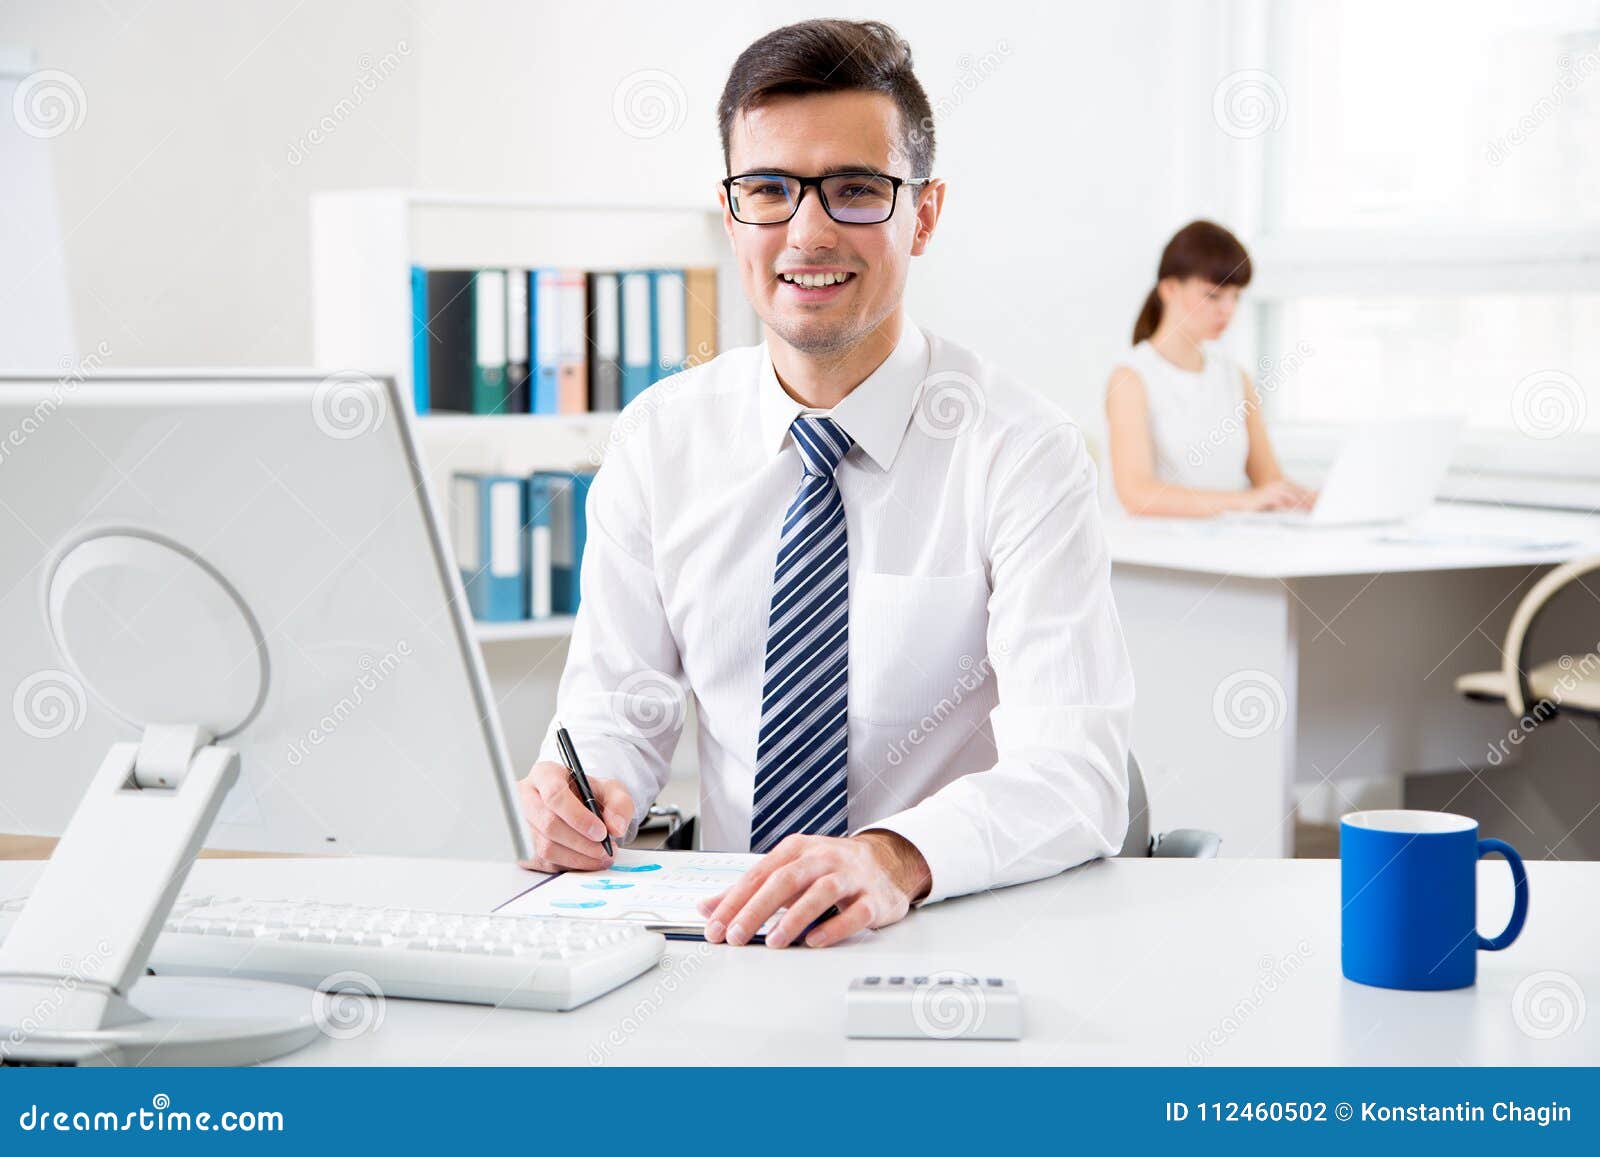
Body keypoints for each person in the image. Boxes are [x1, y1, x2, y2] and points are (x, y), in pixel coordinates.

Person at [515, 18, 1134, 949]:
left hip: (947, 936)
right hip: (727, 940)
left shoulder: (1023, 451)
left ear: (922, 214)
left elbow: (1078, 771)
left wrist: (891, 859)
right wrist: (589, 786)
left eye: (854, 190)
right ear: (732, 215)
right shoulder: (659, 440)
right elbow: (617, 710)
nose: (806, 232)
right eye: (768, 190)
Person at [1104, 220, 1315, 517]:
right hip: (1159, 551)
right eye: (1213, 295)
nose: (1227, 310)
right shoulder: (1131, 377)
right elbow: (1137, 493)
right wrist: (1243, 501)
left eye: (1235, 296)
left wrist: (1319, 499)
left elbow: (1269, 481)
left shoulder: (1235, 377)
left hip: (1227, 545)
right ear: (1169, 289)